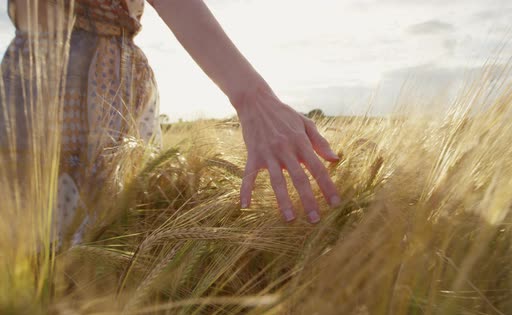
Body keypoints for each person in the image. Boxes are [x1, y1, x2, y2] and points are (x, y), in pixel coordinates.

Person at [1, 0, 341, 242]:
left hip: (84, 78)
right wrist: (251, 96)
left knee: (84, 246)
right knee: (82, 250)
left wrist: (253, 96)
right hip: (74, 82)